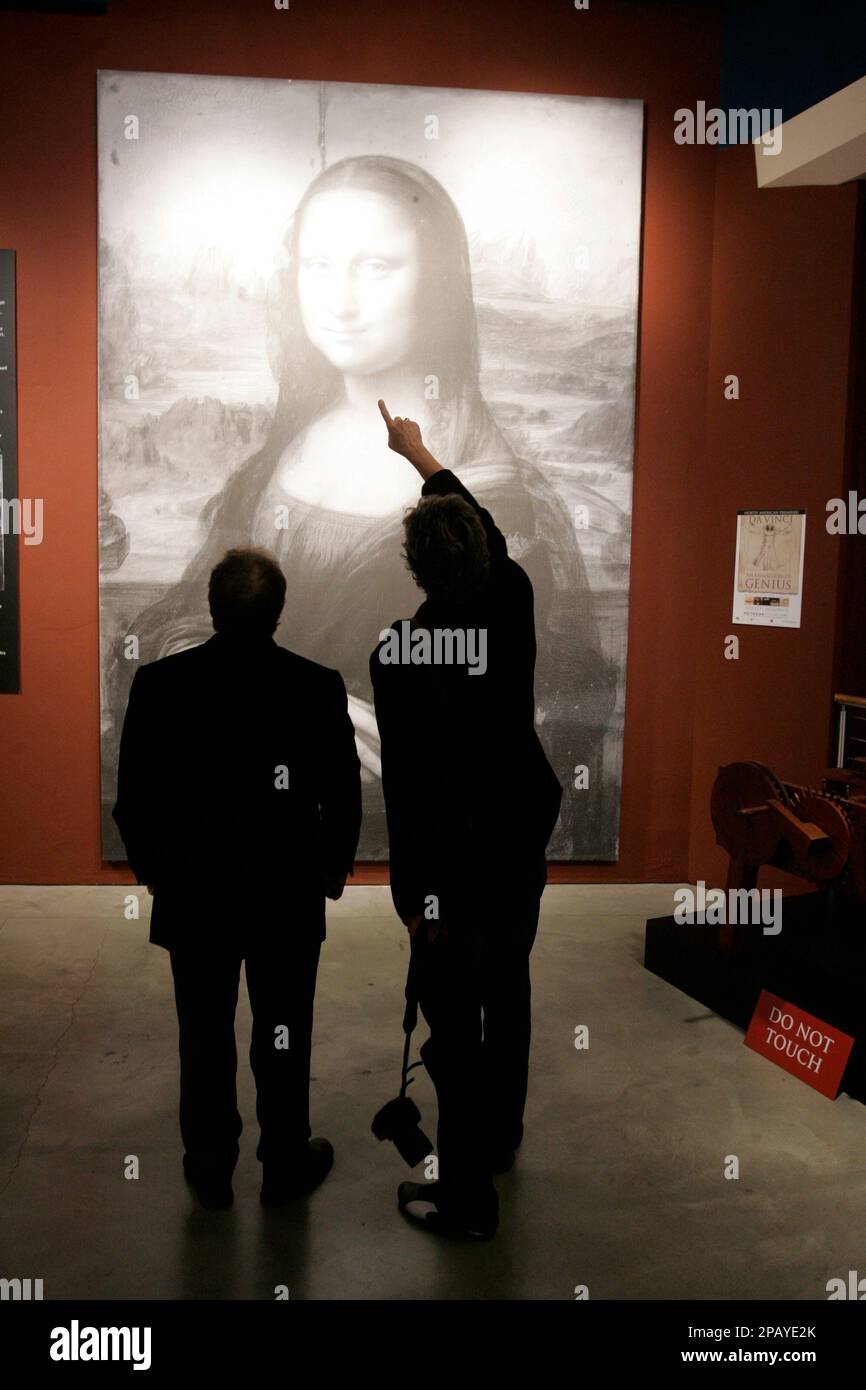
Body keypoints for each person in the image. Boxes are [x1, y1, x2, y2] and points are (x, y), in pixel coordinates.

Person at [104, 154, 615, 868]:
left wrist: (384, 725)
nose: (339, 299)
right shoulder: (276, 460)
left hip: (408, 823)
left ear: (435, 281)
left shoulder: (497, 494)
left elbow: (529, 695)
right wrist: (243, 689)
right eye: (317, 265)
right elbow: (192, 614)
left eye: (376, 266)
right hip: (246, 805)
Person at [112, 547, 362, 1210]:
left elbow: (134, 799)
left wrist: (159, 873)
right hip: (285, 895)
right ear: (278, 612)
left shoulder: (162, 685)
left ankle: (210, 1165)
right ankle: (283, 1165)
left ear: (212, 608)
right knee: (283, 1033)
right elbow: (342, 797)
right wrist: (327, 877)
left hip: (197, 891)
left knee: (203, 1033)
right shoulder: (315, 685)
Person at [370, 401, 563, 1240]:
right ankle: (501, 1134)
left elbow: (412, 794)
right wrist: (421, 457)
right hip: (515, 835)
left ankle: (467, 1197)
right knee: (509, 984)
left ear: (415, 571)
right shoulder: (512, 597)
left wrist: (416, 899)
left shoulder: (401, 656)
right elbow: (482, 527)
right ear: (486, 556)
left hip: (450, 867)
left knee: (452, 1027)